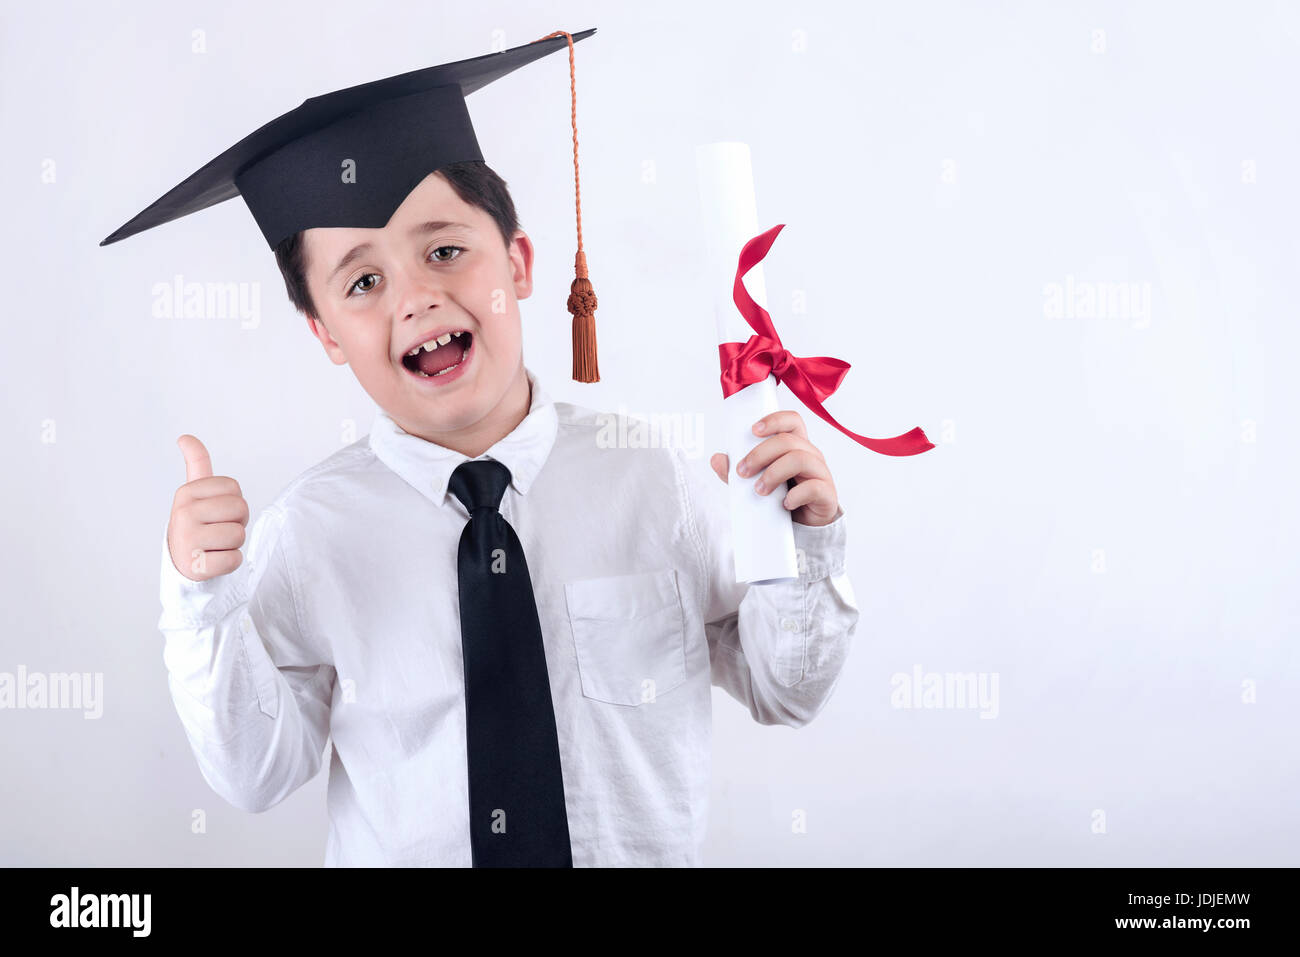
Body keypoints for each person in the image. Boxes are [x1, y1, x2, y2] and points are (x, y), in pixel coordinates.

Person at [105, 28, 860, 866]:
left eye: (445, 250)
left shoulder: (657, 482)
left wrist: (799, 546)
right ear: (324, 333)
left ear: (521, 262)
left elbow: (787, 688)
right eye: (363, 282)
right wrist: (202, 602)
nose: (419, 296)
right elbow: (257, 773)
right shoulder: (309, 534)